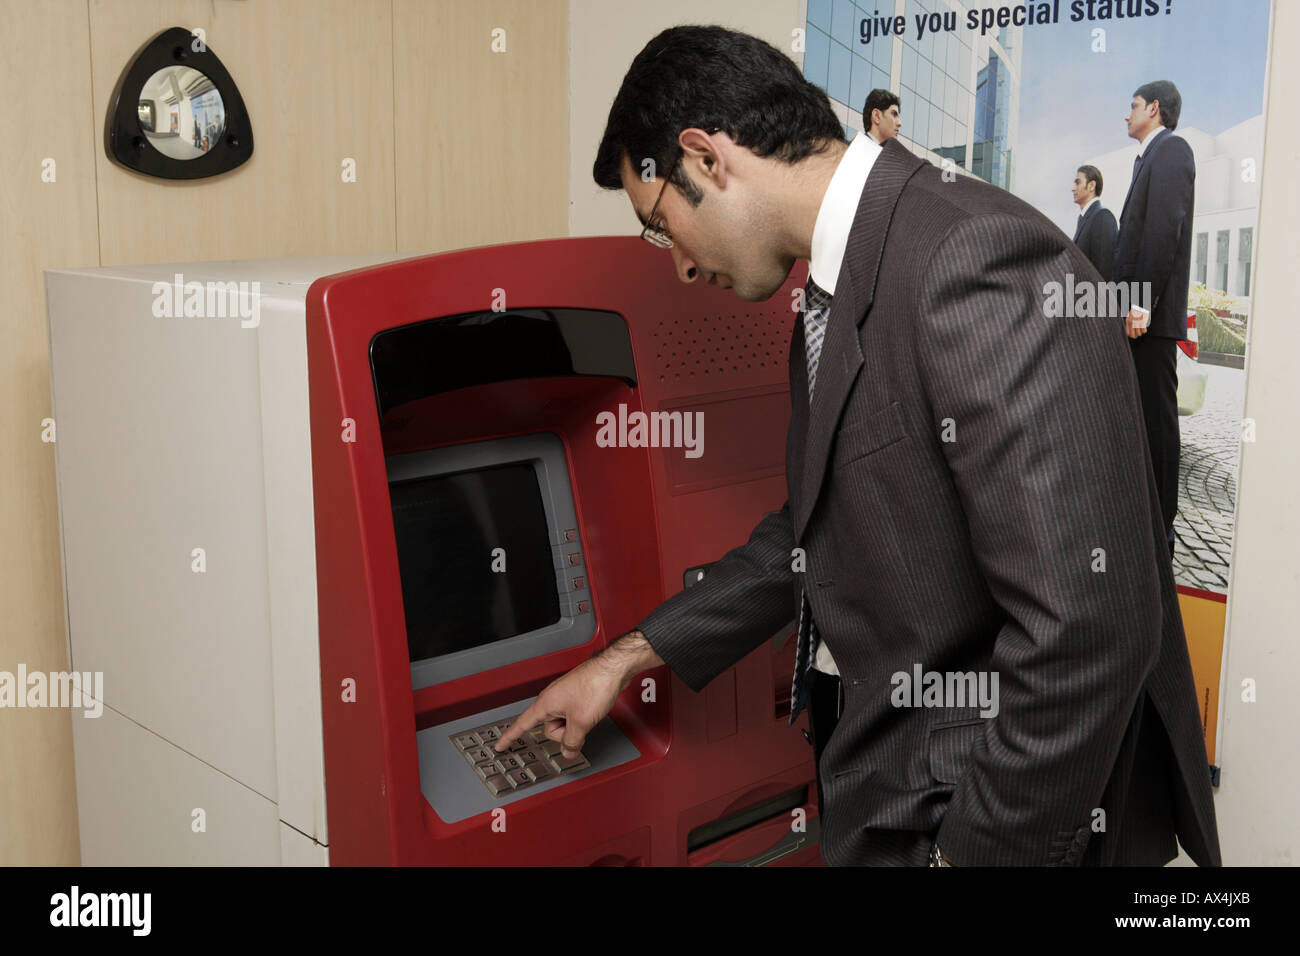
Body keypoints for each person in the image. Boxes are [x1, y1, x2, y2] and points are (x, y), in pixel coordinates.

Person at [498, 26, 1219, 867]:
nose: (681, 269)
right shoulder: (835, 284)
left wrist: (966, 857)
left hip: (979, 815)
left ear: (704, 157)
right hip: (893, 789)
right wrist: (621, 662)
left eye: (660, 226)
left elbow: (1092, 630)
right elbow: (815, 527)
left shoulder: (969, 256)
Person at [1113, 80, 1195, 552]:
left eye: (1133, 105)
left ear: (1155, 109)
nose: (1127, 114)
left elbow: (1164, 232)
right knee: (1142, 418)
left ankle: (1162, 522)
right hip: (1134, 317)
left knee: (1159, 422)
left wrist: (1141, 304)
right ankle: (1144, 515)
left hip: (1151, 320)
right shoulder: (1147, 158)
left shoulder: (1172, 151)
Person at [1071, 164, 1117, 280]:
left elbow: (1104, 272)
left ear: (1091, 186)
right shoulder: (1084, 218)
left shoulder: (1102, 217)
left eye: (1078, 182)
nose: (1073, 188)